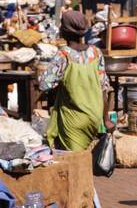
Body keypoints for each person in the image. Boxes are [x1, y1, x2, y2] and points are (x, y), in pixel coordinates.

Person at [39, 9, 110, 152]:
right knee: (86, 158)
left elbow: (44, 84)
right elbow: (104, 88)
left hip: (74, 119)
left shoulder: (63, 55)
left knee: (75, 163)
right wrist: (106, 119)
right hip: (94, 117)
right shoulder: (96, 53)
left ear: (64, 31)